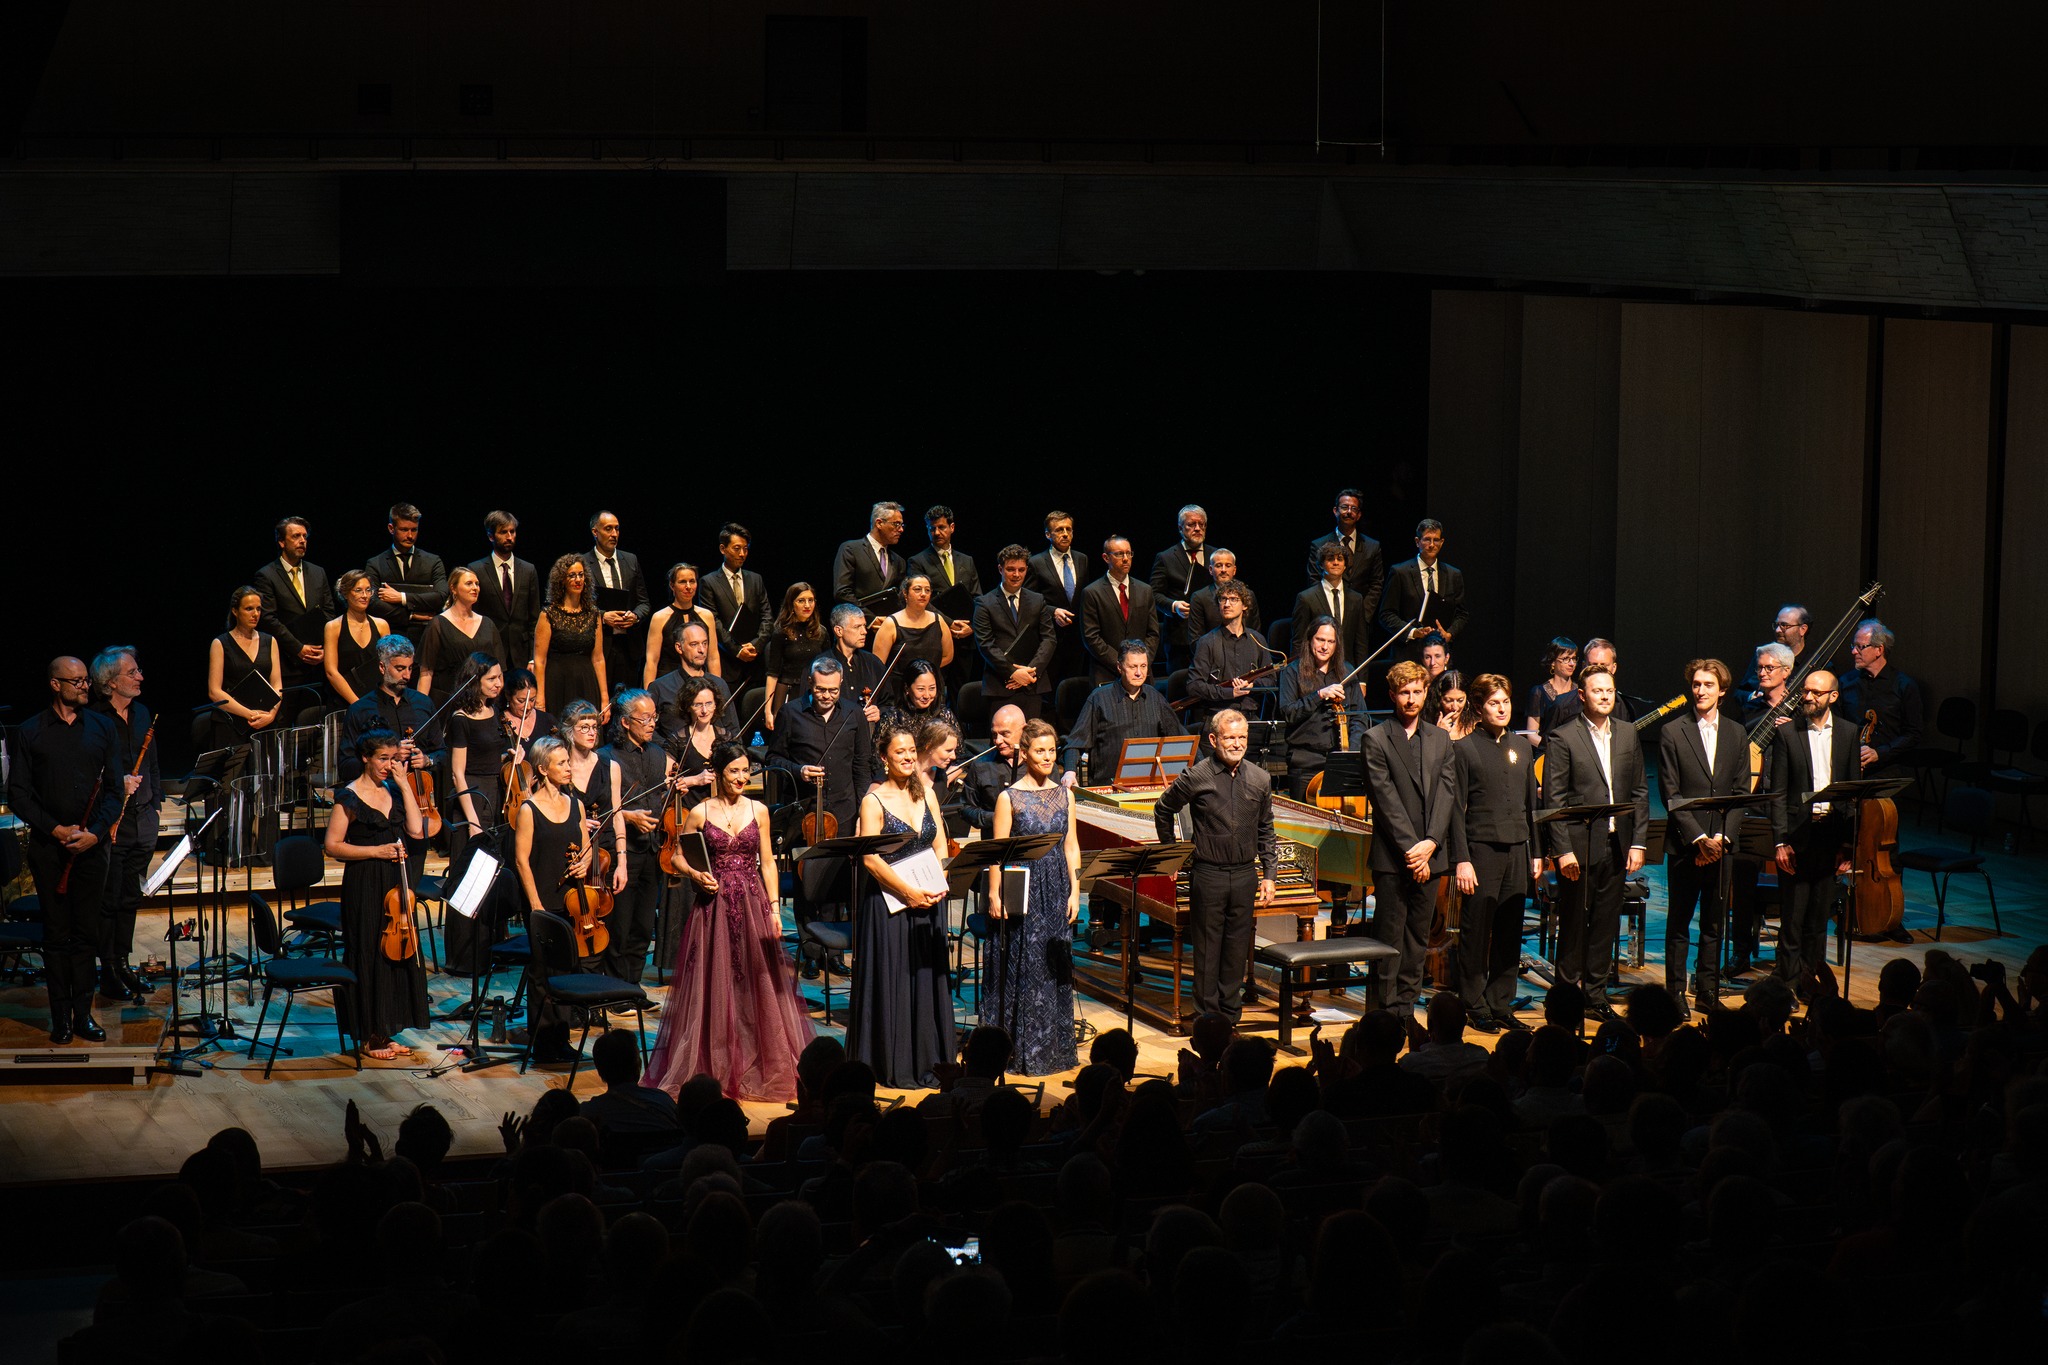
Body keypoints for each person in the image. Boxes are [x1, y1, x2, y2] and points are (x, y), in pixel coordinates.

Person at [647, 741, 815, 1100]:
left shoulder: (759, 810)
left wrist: (773, 907)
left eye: (745, 771)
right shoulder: (700, 811)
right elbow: (676, 857)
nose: (741, 778)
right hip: (713, 905)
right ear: (718, 774)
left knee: (757, 982)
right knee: (716, 980)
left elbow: (768, 862)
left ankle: (756, 1056)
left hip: (753, 903)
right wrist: (695, 874)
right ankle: (717, 1060)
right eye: (733, 771)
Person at [6, 658, 123, 1043]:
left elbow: (115, 792)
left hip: (92, 848)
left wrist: (95, 832)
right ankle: (61, 1019)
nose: (85, 686)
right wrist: (54, 829)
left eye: (86, 680)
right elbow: (19, 794)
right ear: (55, 685)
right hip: (49, 849)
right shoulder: (29, 732)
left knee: (86, 935)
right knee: (57, 936)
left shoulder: (104, 728)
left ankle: (83, 1014)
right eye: (76, 682)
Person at [846, 721, 953, 1089]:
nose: (907, 757)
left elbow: (939, 843)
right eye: (899, 753)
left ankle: (929, 1058)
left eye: (910, 750)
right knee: (894, 980)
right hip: (890, 903)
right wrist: (907, 892)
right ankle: (893, 1062)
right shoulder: (872, 801)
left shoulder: (927, 792)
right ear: (883, 758)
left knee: (925, 980)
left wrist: (938, 881)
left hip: (928, 900)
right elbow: (870, 859)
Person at [1540, 660, 1649, 1021]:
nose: (1604, 696)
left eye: (1609, 690)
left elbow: (1639, 791)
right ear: (1582, 695)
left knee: (1606, 923)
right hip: (1579, 847)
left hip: (1618, 845)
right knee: (1573, 924)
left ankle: (1595, 994)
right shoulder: (1563, 736)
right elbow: (1553, 801)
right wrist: (1563, 851)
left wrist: (1638, 842)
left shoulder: (1628, 733)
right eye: (1597, 691)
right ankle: (1567, 997)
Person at [1152, 710, 1277, 1023]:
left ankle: (1230, 1019)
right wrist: (1171, 853)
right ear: (1213, 740)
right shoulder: (1198, 775)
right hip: (1209, 875)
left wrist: (1270, 874)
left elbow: (1266, 829)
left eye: (1241, 738)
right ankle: (1207, 1022)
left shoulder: (1260, 778)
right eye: (1229, 738)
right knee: (1208, 952)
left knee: (1236, 951)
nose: (1236, 744)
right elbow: (1163, 809)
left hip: (1245, 875)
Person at [324, 728, 430, 1062]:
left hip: (396, 882)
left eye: (393, 758)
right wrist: (376, 851)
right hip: (366, 881)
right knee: (368, 951)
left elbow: (415, 830)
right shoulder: (349, 796)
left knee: (395, 954)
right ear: (365, 758)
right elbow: (333, 846)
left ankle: (385, 1028)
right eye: (382, 758)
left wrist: (403, 785)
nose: (388, 765)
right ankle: (369, 1035)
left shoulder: (394, 790)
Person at [985, 719, 1082, 1075]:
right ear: (1024, 753)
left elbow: (1071, 846)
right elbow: (999, 853)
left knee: (1052, 968)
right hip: (1023, 886)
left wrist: (1076, 890)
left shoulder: (1065, 795)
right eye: (1039, 751)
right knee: (1024, 967)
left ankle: (1053, 1051)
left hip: (1056, 887)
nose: (1047, 757)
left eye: (1052, 750)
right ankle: (1020, 1051)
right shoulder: (1008, 797)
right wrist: (994, 893)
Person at [1361, 661, 1458, 1017]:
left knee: (1418, 938)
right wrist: (1413, 851)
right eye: (1405, 692)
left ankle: (1404, 1011)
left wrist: (1431, 842)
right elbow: (1385, 801)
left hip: (1430, 854)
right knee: (1389, 938)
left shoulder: (1440, 738)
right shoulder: (1375, 738)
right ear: (1392, 696)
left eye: (1418, 691)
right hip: (1394, 857)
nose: (1412, 699)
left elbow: (1448, 794)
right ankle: (1381, 1014)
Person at [1658, 658, 1753, 1017]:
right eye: (1696, 684)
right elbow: (1671, 793)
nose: (1700, 691)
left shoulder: (1736, 732)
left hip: (1723, 846)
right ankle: (1674, 994)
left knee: (1715, 923)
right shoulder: (1673, 731)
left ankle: (1707, 989)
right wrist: (1699, 839)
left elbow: (1741, 791)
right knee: (1679, 923)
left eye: (1708, 685)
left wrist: (1722, 840)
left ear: (1722, 691)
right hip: (1686, 844)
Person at [1449, 674, 1539, 1031]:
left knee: (1510, 929)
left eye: (1505, 702)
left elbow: (1532, 804)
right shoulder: (1465, 748)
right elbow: (1456, 809)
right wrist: (1462, 859)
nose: (1501, 709)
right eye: (1493, 703)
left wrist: (1536, 851)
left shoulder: (1522, 746)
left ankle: (1501, 1001)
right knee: (1477, 928)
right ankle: (1473, 1001)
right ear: (1479, 708)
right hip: (1481, 849)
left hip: (1518, 846)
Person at [1770, 669, 1862, 1003]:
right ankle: (1786, 987)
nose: (1807, 698)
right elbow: (1777, 793)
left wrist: (1849, 843)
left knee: (1818, 919)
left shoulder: (1850, 733)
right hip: (1797, 836)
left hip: (1830, 836)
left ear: (1833, 697)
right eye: (1805, 692)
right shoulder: (1788, 734)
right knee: (1792, 920)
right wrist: (1780, 840)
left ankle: (1810, 985)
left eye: (1815, 693)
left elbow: (1852, 792)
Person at [767, 658, 874, 928]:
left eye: (833, 690)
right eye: (821, 690)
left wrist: (864, 810)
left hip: (845, 808)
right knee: (807, 877)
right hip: (806, 811)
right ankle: (811, 947)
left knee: (839, 879)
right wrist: (798, 769)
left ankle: (835, 947)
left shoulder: (854, 714)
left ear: (840, 685)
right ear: (810, 684)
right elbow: (773, 758)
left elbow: (862, 766)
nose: (827, 696)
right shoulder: (790, 713)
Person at [512, 735, 592, 1064]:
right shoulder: (529, 809)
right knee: (542, 975)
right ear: (543, 769)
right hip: (542, 903)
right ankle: (544, 1045)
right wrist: (536, 907)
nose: (569, 767)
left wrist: (585, 862)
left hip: (571, 902)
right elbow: (521, 861)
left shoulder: (577, 805)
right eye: (562, 763)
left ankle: (562, 1040)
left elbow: (586, 849)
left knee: (566, 971)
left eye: (568, 762)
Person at [88, 647, 159, 1003]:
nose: (140, 677)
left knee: (131, 897)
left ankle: (124, 963)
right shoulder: (94, 719)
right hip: (112, 820)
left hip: (142, 819)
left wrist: (155, 805)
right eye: (132, 672)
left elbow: (154, 764)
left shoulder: (143, 712)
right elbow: (87, 771)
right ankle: (109, 970)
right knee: (110, 898)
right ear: (111, 682)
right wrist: (118, 782)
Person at [601, 689, 676, 988]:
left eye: (654, 717)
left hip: (652, 851)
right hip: (623, 852)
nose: (651, 723)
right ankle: (615, 986)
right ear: (624, 723)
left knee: (644, 926)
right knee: (620, 925)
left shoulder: (658, 755)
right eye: (644, 718)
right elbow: (603, 805)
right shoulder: (606, 758)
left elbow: (661, 797)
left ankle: (631, 987)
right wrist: (629, 817)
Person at [445, 656, 510, 976]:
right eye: (492, 679)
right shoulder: (461, 718)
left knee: (489, 880)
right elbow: (458, 773)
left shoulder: (494, 712)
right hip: (472, 800)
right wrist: (472, 821)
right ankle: (462, 958)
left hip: (495, 796)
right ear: (474, 682)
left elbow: (488, 756)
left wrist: (508, 755)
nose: (499, 684)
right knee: (468, 881)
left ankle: (487, 953)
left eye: (500, 678)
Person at [1061, 641, 1185, 787]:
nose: (1139, 673)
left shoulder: (1155, 697)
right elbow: (1075, 742)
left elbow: (1181, 739)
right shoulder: (1099, 698)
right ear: (1120, 667)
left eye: (1143, 666)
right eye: (1133, 667)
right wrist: (1070, 771)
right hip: (1108, 787)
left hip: (1148, 786)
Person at [560, 701, 630, 947]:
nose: (592, 733)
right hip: (572, 853)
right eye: (584, 727)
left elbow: (618, 813)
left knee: (610, 925)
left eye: (594, 727)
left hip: (605, 855)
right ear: (570, 731)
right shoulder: (560, 767)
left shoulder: (610, 767)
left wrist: (622, 862)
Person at [1275, 617, 1364, 800]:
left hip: (1339, 761)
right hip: (1305, 762)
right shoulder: (1292, 672)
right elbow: (1288, 713)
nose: (1325, 647)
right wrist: (1319, 695)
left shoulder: (1347, 672)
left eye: (1331, 641)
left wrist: (1349, 753)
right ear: (1310, 640)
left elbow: (1359, 717)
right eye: (1320, 640)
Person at [338, 635, 443, 788]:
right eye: (399, 669)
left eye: (410, 668)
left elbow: (442, 753)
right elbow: (346, 766)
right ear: (382, 667)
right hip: (377, 795)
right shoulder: (360, 710)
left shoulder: (424, 703)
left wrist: (428, 760)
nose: (407, 675)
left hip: (419, 795)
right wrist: (388, 757)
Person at [252, 515, 336, 700]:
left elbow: (329, 612)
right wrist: (298, 648)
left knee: (314, 716)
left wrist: (325, 649)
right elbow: (268, 619)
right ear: (281, 542)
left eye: (305, 537)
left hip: (318, 661)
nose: (302, 541)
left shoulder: (317, 572)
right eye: (296, 536)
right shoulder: (266, 575)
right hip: (287, 663)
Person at [974, 545, 1058, 722]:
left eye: (1021, 570)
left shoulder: (1037, 600)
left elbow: (1049, 639)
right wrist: (1012, 672)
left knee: (1031, 740)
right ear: (1000, 569)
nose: (1016, 575)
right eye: (1010, 569)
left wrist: (1030, 672)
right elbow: (985, 644)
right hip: (1001, 683)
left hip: (1032, 683)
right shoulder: (984, 603)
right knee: (1003, 740)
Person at [907, 506, 982, 686]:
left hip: (965, 637)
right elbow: (921, 602)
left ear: (952, 527)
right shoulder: (917, 561)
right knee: (934, 686)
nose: (937, 532)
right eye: (931, 528)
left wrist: (971, 625)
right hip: (935, 635)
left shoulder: (967, 560)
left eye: (941, 527)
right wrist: (949, 623)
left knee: (961, 689)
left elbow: (978, 597)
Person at [1839, 618, 1925, 776]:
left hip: (1888, 768)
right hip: (1849, 768)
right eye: (1853, 646)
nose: (1853, 652)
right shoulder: (1845, 682)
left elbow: (1913, 733)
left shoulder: (1904, 685)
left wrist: (1880, 753)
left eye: (1860, 647)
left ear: (1879, 650)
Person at [1377, 519, 1469, 666]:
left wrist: (1449, 634)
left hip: (1440, 654)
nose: (1432, 545)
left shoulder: (1453, 574)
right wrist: (1413, 632)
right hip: (1408, 654)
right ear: (1417, 541)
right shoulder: (1400, 572)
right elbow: (1386, 615)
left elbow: (1462, 614)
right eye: (1427, 540)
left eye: (1436, 540)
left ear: (1442, 542)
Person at [581, 510, 651, 699]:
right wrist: (602, 617)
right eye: (608, 529)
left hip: (629, 646)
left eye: (617, 529)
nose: (614, 534)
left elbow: (644, 602)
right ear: (595, 532)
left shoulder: (630, 560)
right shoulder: (583, 563)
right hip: (600, 646)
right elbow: (579, 607)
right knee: (600, 700)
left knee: (627, 702)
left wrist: (635, 616)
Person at [1185, 584, 1275, 727]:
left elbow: (1271, 680)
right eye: (1223, 599)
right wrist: (1230, 693)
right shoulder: (1207, 642)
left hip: (1249, 718)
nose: (1227, 604)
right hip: (1218, 718)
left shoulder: (1257, 640)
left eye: (1233, 599)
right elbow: (1194, 686)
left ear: (1244, 605)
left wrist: (1251, 685)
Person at [699, 523, 771, 700]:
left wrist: (756, 645)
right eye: (737, 548)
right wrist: (737, 650)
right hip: (727, 663)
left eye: (745, 549)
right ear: (723, 549)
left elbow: (767, 616)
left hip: (755, 663)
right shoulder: (709, 582)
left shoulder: (755, 579)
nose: (742, 554)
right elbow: (713, 622)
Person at [206, 585, 283, 749]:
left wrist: (272, 714)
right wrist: (250, 714)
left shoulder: (270, 641)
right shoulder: (220, 643)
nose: (255, 614)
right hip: (232, 723)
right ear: (235, 611)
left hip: (265, 722)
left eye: (258, 609)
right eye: (249, 609)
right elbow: (214, 691)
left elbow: (277, 685)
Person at [415, 566, 502, 710]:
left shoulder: (488, 624)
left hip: (482, 704)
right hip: (447, 702)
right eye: (469, 583)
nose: (475, 588)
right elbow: (426, 673)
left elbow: (499, 672)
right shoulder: (438, 624)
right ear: (453, 588)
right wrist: (420, 711)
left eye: (477, 584)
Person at [533, 554, 607, 719]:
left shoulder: (594, 614)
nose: (578, 579)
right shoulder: (549, 614)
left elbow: (598, 659)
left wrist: (604, 698)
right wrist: (540, 697)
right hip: (557, 682)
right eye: (572, 575)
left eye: (581, 575)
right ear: (562, 580)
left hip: (586, 681)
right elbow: (539, 660)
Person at [364, 502, 448, 646]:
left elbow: (441, 596)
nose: (410, 536)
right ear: (391, 528)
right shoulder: (375, 563)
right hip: (389, 638)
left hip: (426, 639)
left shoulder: (433, 561)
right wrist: (412, 615)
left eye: (414, 530)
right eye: (404, 530)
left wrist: (401, 598)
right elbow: (372, 603)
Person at [1078, 535, 1160, 682]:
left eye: (1128, 553)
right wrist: (1121, 663)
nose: (1125, 558)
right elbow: (1091, 637)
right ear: (1106, 558)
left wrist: (1140, 663)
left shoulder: (1145, 590)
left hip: (1141, 673)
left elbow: (1153, 633)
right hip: (1107, 671)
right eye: (1119, 554)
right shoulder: (1092, 592)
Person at [469, 509, 541, 673]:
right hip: (490, 650)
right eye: (503, 532)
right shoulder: (477, 569)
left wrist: (533, 656)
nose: (509, 537)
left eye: (512, 531)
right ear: (491, 536)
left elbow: (534, 617)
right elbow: (473, 614)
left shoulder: (528, 570)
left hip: (521, 653)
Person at [870, 573, 955, 706]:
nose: (923, 594)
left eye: (927, 590)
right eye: (917, 589)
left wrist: (924, 675)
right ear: (905, 593)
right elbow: (877, 665)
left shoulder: (939, 621)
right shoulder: (891, 623)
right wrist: (911, 677)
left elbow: (948, 656)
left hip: (930, 692)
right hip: (899, 692)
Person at [1304, 488, 1384, 623]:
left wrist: (1362, 616)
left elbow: (1376, 584)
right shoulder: (1319, 545)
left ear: (1359, 515)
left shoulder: (1372, 546)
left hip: (1360, 619)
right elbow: (1314, 581)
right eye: (1344, 507)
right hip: (1326, 618)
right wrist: (1327, 616)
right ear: (1335, 511)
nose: (1349, 512)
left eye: (1354, 509)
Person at [1026, 510, 1087, 683]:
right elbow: (1029, 599)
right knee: (1052, 690)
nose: (1065, 534)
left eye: (1069, 529)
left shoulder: (1082, 559)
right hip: (1050, 636)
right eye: (1060, 530)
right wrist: (1052, 611)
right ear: (1048, 534)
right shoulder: (1036, 562)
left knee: (1074, 687)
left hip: (1077, 638)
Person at [1150, 503, 1213, 669]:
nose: (1198, 528)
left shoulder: (1216, 555)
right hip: (1180, 638)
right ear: (1180, 528)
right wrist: (1173, 605)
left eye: (1201, 524)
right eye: (1191, 525)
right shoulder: (1165, 557)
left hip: (1212, 633)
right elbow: (1154, 595)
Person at [644, 562, 723, 689]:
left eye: (692, 581)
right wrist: (649, 695)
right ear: (672, 585)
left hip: (699, 683)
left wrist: (717, 690)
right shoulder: (660, 617)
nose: (688, 587)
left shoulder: (706, 616)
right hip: (668, 684)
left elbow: (713, 657)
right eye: (682, 582)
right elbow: (652, 661)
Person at [649, 618, 733, 737]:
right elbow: (649, 731)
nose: (702, 650)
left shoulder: (719, 684)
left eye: (705, 643)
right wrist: (669, 751)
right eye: (694, 644)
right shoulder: (660, 687)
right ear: (679, 647)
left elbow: (732, 729)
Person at [1293, 542, 1369, 671]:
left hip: (1347, 671)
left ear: (1345, 566)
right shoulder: (1306, 598)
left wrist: (1362, 679)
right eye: (1330, 559)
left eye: (1340, 559)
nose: (1335, 562)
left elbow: (1360, 642)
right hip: (1314, 670)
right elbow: (1299, 641)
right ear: (1321, 565)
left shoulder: (1356, 599)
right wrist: (1299, 674)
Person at [765, 582, 827, 731]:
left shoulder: (821, 632)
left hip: (813, 692)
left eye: (810, 600)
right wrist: (767, 710)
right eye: (801, 601)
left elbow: (827, 669)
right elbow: (773, 673)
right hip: (788, 691)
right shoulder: (781, 633)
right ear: (791, 604)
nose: (807, 605)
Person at [323, 569, 391, 706]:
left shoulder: (381, 625)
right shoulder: (333, 627)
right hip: (344, 701)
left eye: (368, 590)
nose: (365, 595)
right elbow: (331, 672)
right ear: (345, 593)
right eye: (358, 590)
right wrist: (358, 704)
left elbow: (389, 666)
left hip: (376, 699)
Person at [832, 501, 909, 615]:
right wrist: (871, 619)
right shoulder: (851, 549)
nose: (901, 529)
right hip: (859, 625)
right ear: (879, 523)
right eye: (896, 524)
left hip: (889, 626)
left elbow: (900, 598)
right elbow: (842, 592)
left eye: (902, 525)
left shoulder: (899, 561)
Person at [811, 603, 887, 721]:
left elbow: (889, 703)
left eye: (864, 626)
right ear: (839, 631)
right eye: (857, 627)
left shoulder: (873, 663)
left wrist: (880, 712)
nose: (864, 631)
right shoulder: (819, 665)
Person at [1540, 638, 1632, 733]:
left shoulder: (1620, 705)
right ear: (1584, 666)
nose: (1599, 671)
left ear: (1614, 668)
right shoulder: (1562, 705)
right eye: (1593, 665)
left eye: (1604, 666)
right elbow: (1549, 745)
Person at [666, 678, 730, 811]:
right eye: (698, 705)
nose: (704, 710)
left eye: (709, 703)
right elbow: (666, 782)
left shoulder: (725, 737)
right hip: (689, 810)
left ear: (715, 705)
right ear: (688, 707)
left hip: (722, 810)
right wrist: (695, 780)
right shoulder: (677, 740)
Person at [962, 704, 1028, 831]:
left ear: (1024, 730)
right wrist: (995, 818)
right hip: (994, 843)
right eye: (994, 734)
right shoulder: (981, 765)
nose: (998, 740)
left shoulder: (1039, 764)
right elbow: (966, 808)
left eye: (1005, 734)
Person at [1186, 547, 1262, 641]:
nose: (1223, 570)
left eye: (1228, 565)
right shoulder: (1199, 598)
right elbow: (1195, 640)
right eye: (1218, 565)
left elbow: (1255, 634)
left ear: (1234, 570)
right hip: (1212, 653)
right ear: (1210, 569)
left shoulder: (1249, 595)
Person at [881, 658, 959, 739]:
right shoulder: (892, 718)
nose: (927, 696)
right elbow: (878, 750)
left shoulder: (945, 715)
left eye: (932, 688)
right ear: (907, 689)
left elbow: (959, 750)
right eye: (921, 689)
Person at [1523, 637, 1579, 741]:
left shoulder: (1580, 692)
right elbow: (1531, 734)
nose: (1572, 664)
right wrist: (1553, 749)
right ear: (1553, 662)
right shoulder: (1539, 692)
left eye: (1574, 658)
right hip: (1548, 752)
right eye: (1566, 659)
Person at [1425, 668, 1473, 739]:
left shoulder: (1475, 726)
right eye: (1448, 700)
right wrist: (1439, 734)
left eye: (1460, 700)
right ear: (1438, 699)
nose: (1455, 707)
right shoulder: (1426, 727)